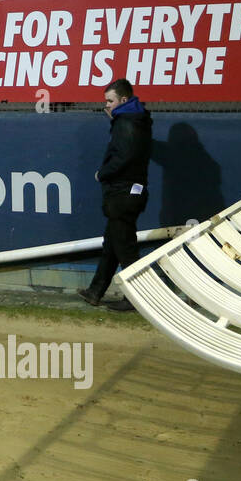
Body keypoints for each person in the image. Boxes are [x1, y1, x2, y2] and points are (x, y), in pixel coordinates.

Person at [79, 79, 152, 312]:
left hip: (123, 194)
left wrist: (102, 173)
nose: (106, 105)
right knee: (112, 244)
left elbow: (124, 157)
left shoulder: (126, 123)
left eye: (110, 101)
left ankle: (136, 299)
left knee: (125, 249)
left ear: (123, 100)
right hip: (130, 193)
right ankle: (95, 291)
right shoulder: (136, 119)